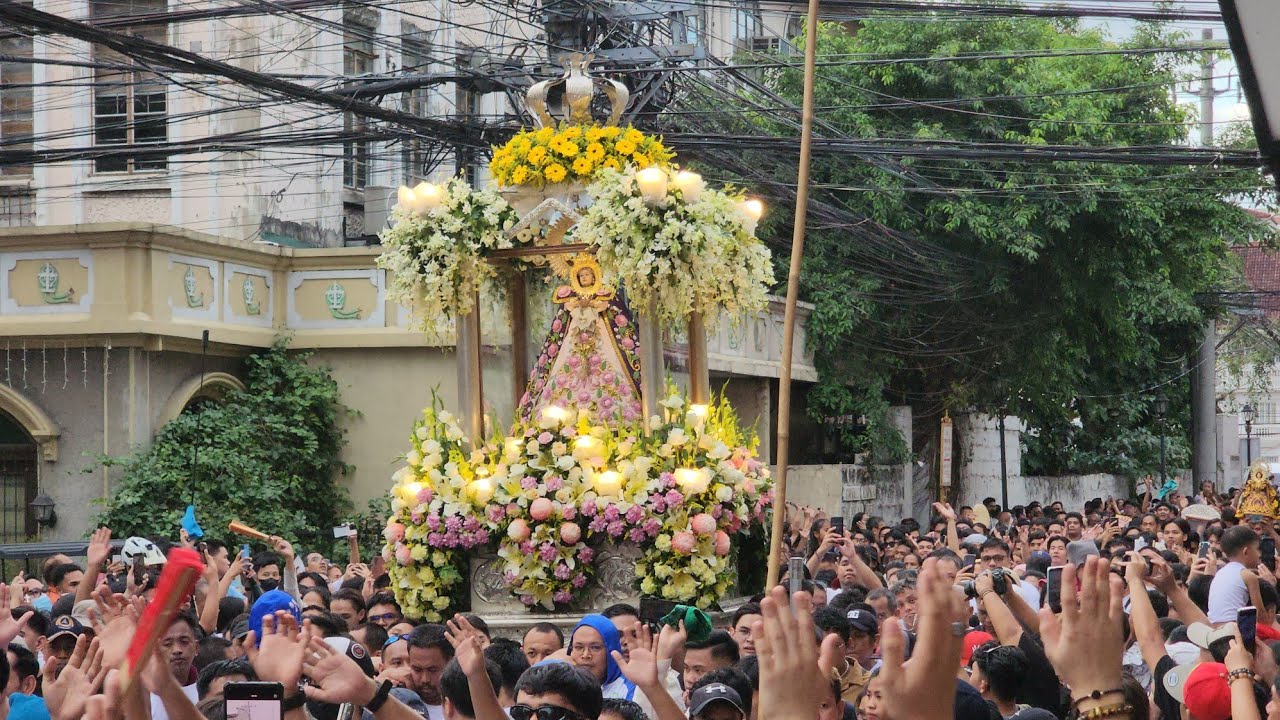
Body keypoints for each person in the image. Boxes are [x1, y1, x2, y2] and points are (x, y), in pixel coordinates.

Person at [569, 614, 635, 700]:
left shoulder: (632, 689)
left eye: (595, 647)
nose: (585, 655)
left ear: (611, 650)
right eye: (579, 647)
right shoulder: (565, 688)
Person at [1208, 526, 1264, 623]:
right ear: (1246, 552)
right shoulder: (1248, 576)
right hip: (1234, 629)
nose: (1259, 554)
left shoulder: (1220, 573)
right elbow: (1261, 618)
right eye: (1257, 549)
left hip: (1213, 628)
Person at [407, 623, 456, 720]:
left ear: (450, 662)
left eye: (433, 670)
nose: (425, 679)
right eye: (417, 670)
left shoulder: (468, 705)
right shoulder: (398, 701)